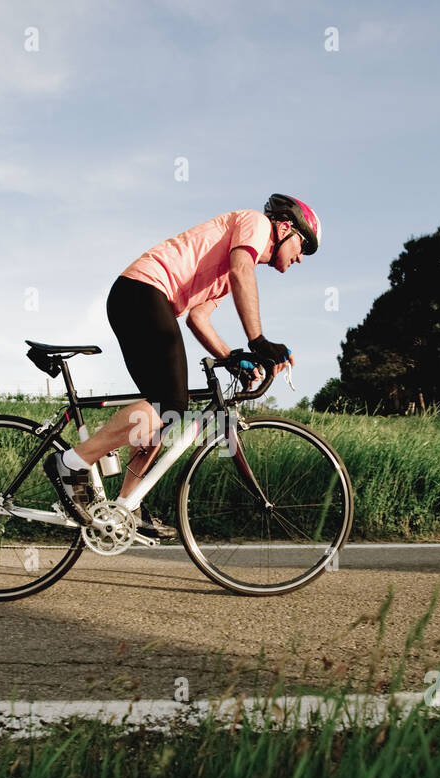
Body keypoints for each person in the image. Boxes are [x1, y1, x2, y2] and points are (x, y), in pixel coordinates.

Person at [44, 193, 321, 539]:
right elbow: (241, 271)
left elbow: (198, 319)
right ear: (284, 227)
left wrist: (232, 359)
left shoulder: (229, 267)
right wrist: (258, 341)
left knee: (165, 407)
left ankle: (128, 505)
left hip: (145, 299)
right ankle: (72, 463)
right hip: (143, 292)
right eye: (303, 245)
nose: (300, 258)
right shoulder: (255, 224)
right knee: (169, 402)